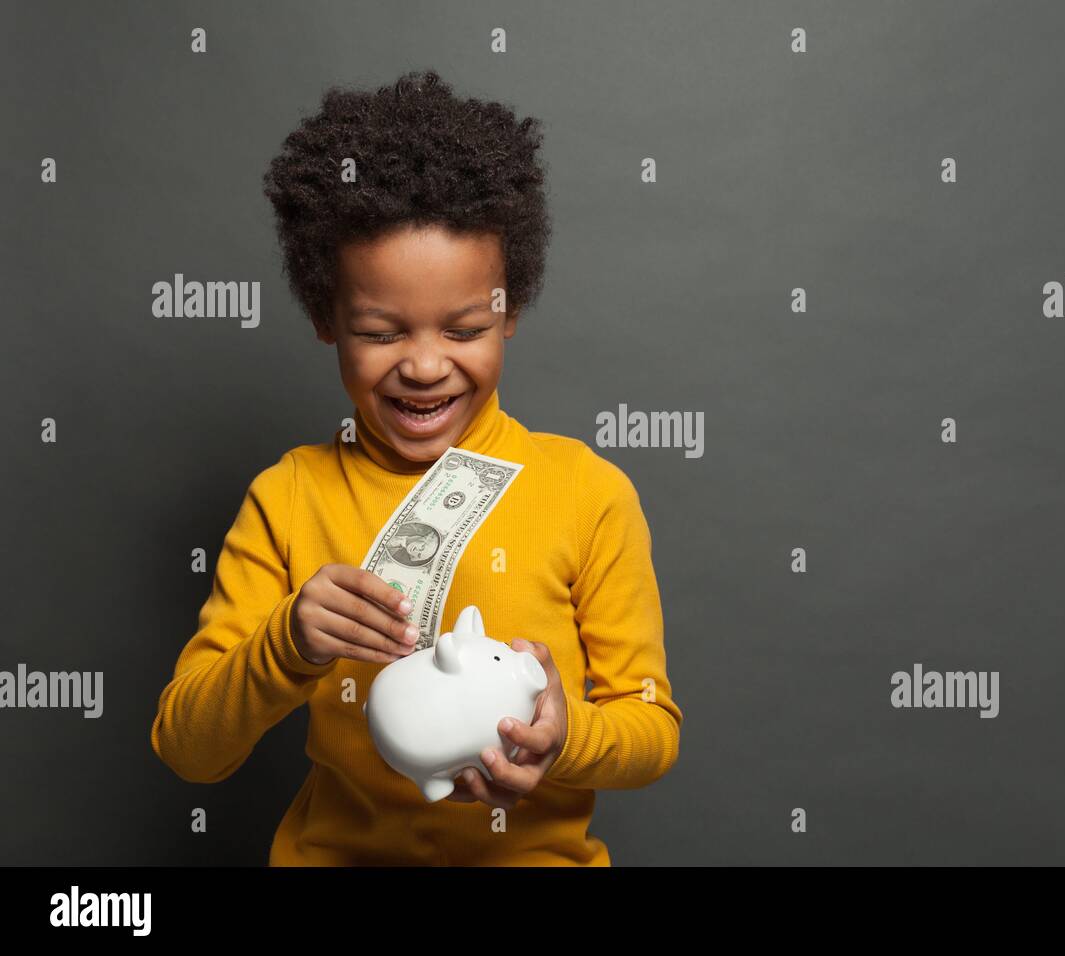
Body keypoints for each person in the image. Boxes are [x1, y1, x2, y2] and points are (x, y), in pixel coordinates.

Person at [150, 69, 682, 865]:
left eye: (465, 329)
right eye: (381, 331)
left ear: (512, 310)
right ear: (326, 317)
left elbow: (651, 728)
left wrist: (567, 735)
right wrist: (287, 642)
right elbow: (188, 747)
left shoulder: (588, 494)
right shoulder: (289, 497)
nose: (426, 366)